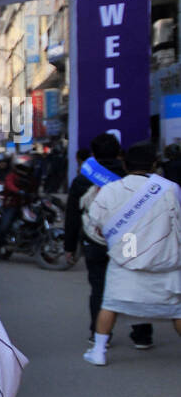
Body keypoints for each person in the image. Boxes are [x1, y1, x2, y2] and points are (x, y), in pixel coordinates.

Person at [82, 143, 181, 365]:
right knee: (177, 310)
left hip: (126, 256)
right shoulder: (170, 188)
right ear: (155, 165)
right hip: (163, 258)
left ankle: (99, 352)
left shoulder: (110, 189)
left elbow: (94, 221)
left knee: (111, 305)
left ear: (124, 164)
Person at [68, 135, 153, 348]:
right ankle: (142, 335)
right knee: (136, 284)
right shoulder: (130, 175)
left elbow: (72, 214)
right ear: (119, 153)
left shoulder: (82, 179)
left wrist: (70, 247)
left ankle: (99, 335)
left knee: (99, 288)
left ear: (93, 154)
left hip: (95, 241)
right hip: (129, 241)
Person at [0, 156, 36, 259]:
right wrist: (19, 191)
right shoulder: (11, 176)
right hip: (12, 205)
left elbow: (34, 189)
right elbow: (9, 185)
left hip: (26, 205)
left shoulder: (31, 177)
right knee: (4, 228)